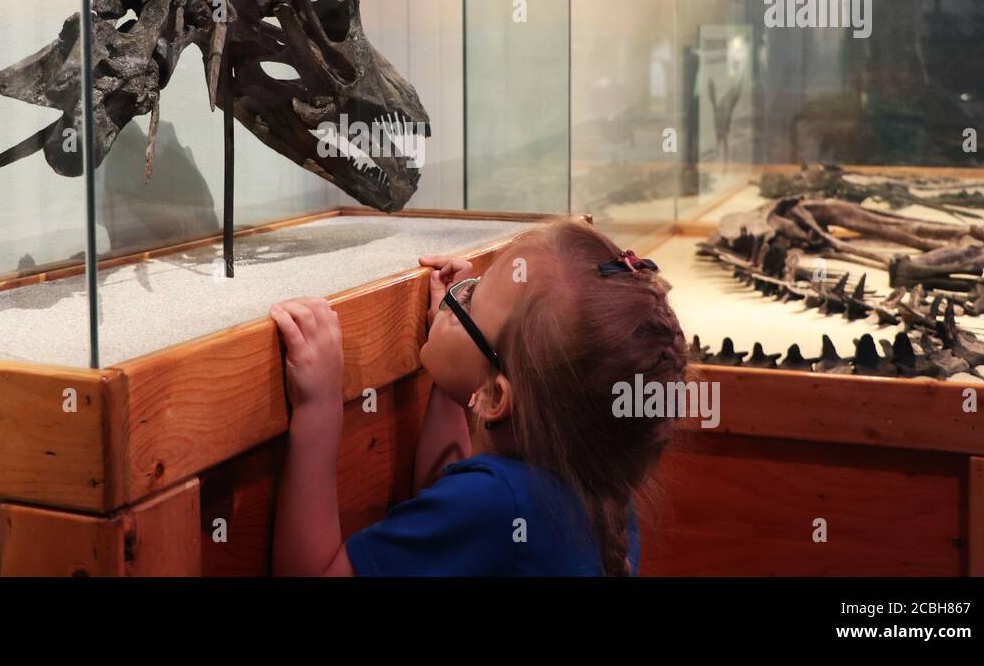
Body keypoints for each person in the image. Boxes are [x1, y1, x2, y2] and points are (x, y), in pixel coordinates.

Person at [270, 216, 688, 576]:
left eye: (471, 300)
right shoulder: (598, 493)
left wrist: (319, 404)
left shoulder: (493, 505)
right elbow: (445, 518)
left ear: (495, 397)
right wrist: (456, 365)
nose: (458, 296)